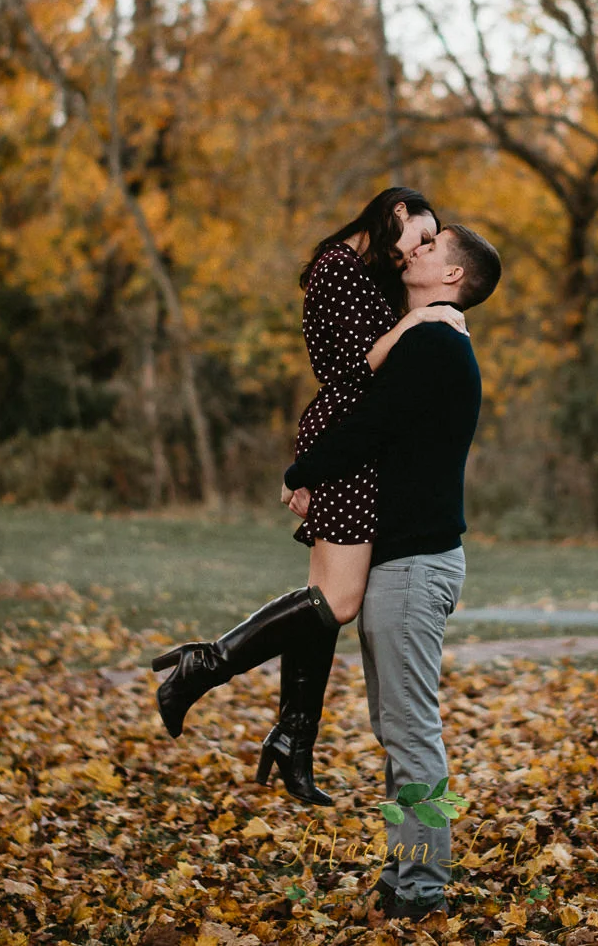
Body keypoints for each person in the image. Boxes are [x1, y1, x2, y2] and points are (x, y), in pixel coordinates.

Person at [150, 188, 466, 805]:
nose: (417, 252)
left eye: (430, 248)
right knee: (340, 601)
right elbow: (364, 363)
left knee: (327, 597)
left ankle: (294, 736)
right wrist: (423, 317)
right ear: (396, 214)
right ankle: (205, 666)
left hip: (354, 438)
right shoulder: (337, 268)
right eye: (420, 237)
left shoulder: (363, 272)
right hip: (346, 433)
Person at [280, 223, 502, 920]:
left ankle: (424, 882)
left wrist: (303, 471)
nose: (418, 249)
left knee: (411, 728)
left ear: (453, 277)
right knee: (397, 725)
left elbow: (369, 423)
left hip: (414, 564)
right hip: (407, 562)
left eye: (434, 248)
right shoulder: (431, 333)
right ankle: (406, 866)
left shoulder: (435, 341)